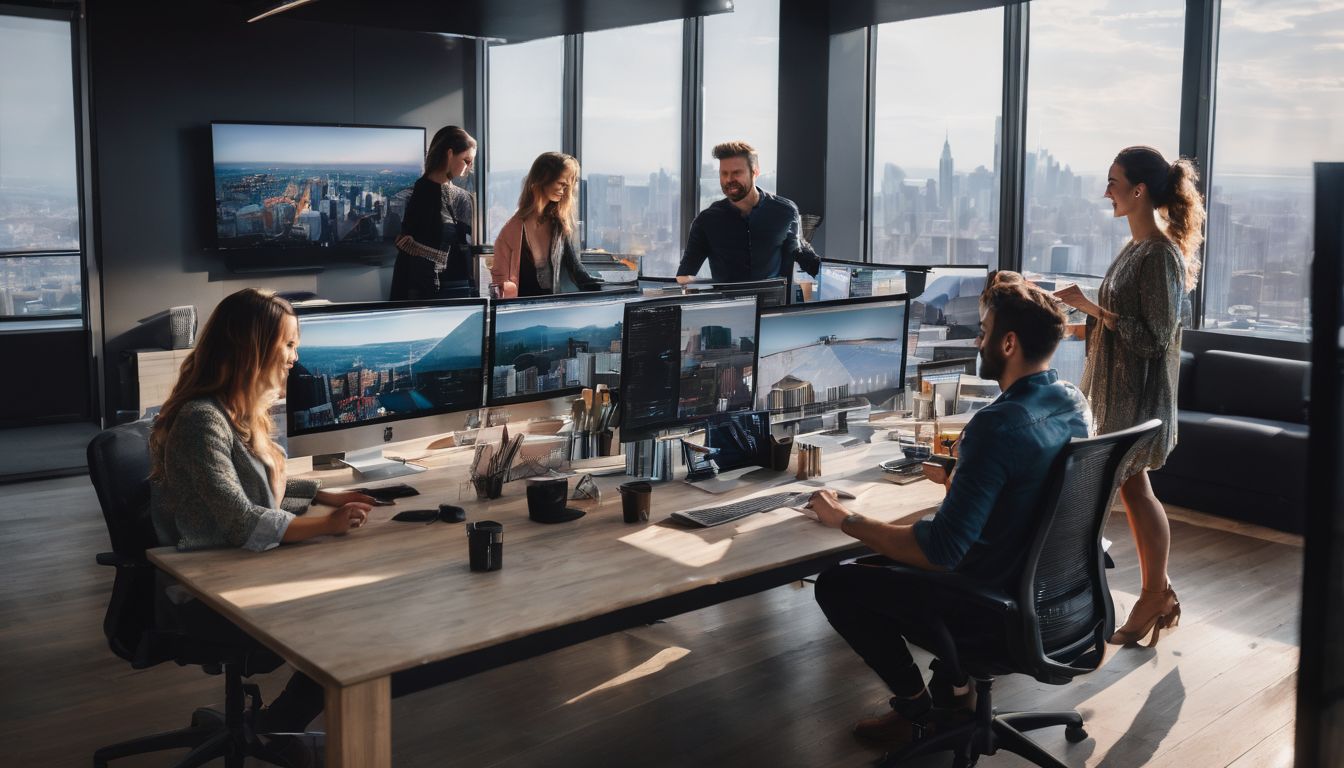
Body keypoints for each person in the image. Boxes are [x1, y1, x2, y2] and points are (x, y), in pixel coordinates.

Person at [806, 273, 1091, 748]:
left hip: (996, 610)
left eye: (983, 331)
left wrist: (846, 521)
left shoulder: (996, 426)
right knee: (888, 556)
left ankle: (918, 712)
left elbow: (941, 551)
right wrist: (965, 480)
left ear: (1009, 342)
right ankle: (954, 696)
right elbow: (1031, 491)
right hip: (1057, 599)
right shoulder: (1072, 402)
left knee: (840, 580)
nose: (977, 341)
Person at [149, 287, 376, 761]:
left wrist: (325, 495)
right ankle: (285, 723)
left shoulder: (241, 409)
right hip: (210, 582)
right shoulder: (201, 420)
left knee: (351, 601)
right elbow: (240, 518)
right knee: (345, 614)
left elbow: (259, 488)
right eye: (288, 345)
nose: (296, 356)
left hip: (245, 563)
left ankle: (281, 720)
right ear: (253, 347)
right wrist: (328, 525)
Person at [1053, 146, 1205, 648]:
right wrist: (1075, 317)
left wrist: (1091, 308)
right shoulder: (1136, 248)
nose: (1106, 191)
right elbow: (1122, 327)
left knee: (1127, 490)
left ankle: (1142, 596)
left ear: (1139, 190)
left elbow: (1154, 338)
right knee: (1134, 490)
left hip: (1138, 399)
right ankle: (1154, 595)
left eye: (1113, 181)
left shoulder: (1158, 253)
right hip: (1116, 392)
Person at [675, 141, 820, 284]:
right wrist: (718, 285)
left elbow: (794, 257)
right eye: (724, 173)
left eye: (736, 173)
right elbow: (684, 276)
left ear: (755, 172)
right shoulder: (706, 221)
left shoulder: (786, 211)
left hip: (775, 305)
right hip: (727, 305)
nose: (729, 179)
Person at [490, 151, 602, 298]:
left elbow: (577, 271)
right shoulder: (510, 231)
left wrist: (611, 290)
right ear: (544, 178)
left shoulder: (559, 225)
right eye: (561, 184)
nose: (564, 190)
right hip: (520, 313)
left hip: (552, 310)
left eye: (567, 186)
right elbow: (499, 285)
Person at [389, 125, 477, 300]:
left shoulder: (463, 198)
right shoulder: (412, 196)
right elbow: (409, 257)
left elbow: (464, 245)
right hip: (422, 293)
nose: (470, 167)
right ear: (449, 154)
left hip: (457, 289)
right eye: (467, 160)